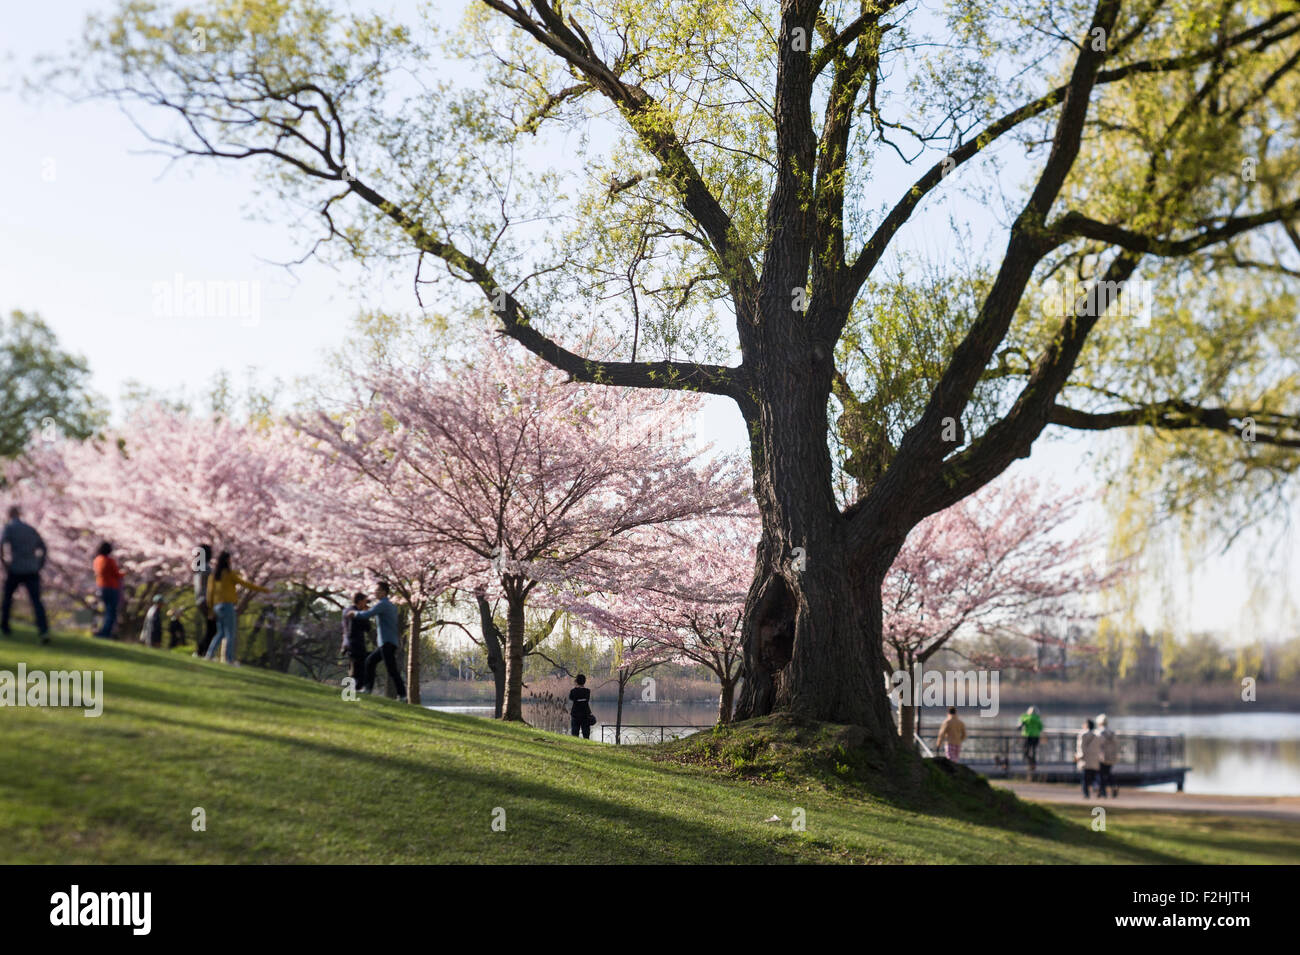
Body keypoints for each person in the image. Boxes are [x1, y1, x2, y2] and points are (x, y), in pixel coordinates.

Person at [204, 550, 268, 664]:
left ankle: (209, 654)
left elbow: (210, 593)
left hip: (217, 607)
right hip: (227, 605)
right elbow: (245, 584)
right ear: (227, 560)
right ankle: (229, 659)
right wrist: (262, 589)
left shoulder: (213, 576)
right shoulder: (229, 574)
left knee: (221, 633)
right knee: (230, 633)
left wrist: (210, 608)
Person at [1, 506, 49, 643]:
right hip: (32, 569)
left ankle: (5, 626)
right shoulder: (30, 528)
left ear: (10, 514)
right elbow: (43, 548)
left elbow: (1, 544)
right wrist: (39, 564)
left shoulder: (9, 528)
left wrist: (5, 563)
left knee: (8, 599)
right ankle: (43, 630)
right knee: (37, 601)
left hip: (16, 568)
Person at [355, 581, 406, 700]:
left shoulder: (382, 604)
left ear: (384, 592)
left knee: (391, 669)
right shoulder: (390, 605)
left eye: (377, 590)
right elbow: (374, 612)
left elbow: (367, 615)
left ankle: (402, 694)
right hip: (388, 642)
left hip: (387, 642)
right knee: (370, 661)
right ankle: (368, 689)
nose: (375, 592)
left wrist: (354, 613)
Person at [93, 541, 124, 638]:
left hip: (101, 587)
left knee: (107, 610)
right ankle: (105, 632)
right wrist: (124, 573)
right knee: (111, 611)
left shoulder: (97, 560)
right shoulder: (109, 561)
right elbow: (117, 574)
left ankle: (104, 630)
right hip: (111, 587)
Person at [341, 592, 372, 690]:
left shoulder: (348, 611)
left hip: (351, 643)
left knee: (355, 667)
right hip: (356, 644)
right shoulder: (355, 613)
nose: (366, 604)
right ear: (360, 601)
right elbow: (367, 627)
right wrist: (366, 615)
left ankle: (352, 690)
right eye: (365, 601)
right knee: (358, 669)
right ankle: (353, 691)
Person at [194, 543, 217, 658]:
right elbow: (211, 586)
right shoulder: (207, 568)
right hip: (206, 600)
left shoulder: (198, 567)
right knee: (212, 628)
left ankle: (202, 651)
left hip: (199, 600)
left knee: (211, 627)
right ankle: (202, 651)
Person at [1076, 718, 1103, 798]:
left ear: (1086, 725)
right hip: (1094, 759)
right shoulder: (1097, 736)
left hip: (1085, 759)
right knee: (1094, 776)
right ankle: (1096, 786)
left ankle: (1086, 794)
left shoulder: (1083, 735)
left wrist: (1079, 756)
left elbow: (1081, 748)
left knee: (1085, 778)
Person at [1097, 713, 1119, 798]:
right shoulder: (1112, 732)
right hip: (1111, 756)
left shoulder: (1099, 732)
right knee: (1108, 773)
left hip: (1101, 756)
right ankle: (1113, 786)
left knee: (1101, 774)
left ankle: (1103, 792)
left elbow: (1097, 744)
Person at [1019, 705, 1043, 771]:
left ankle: (1030, 762)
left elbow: (1020, 725)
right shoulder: (1038, 719)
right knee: (1034, 750)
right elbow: (1041, 728)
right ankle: (1033, 764)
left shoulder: (1025, 718)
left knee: (1025, 750)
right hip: (1035, 736)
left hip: (1027, 736)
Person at [569, 674, 593, 739]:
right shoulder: (587, 691)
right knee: (586, 733)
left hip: (575, 713)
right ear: (584, 681)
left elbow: (571, 698)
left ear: (576, 681)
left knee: (575, 733)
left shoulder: (573, 691)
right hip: (585, 713)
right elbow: (586, 700)